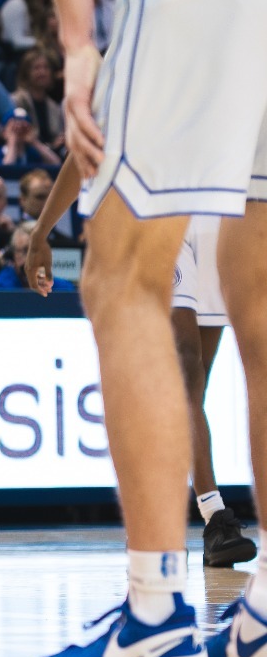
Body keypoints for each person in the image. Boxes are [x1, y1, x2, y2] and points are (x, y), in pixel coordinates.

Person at [25, 166, 258, 572]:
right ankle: (215, 517)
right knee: (184, 365)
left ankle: (172, 509)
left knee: (192, 389)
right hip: (158, 210)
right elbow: (83, 152)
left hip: (222, 211)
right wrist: (40, 232)